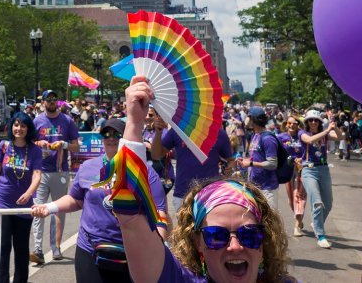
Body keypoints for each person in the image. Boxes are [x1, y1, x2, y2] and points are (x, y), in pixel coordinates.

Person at [110, 78, 292, 283]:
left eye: (250, 235)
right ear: (198, 242)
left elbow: (230, 159)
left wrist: (228, 182)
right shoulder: (181, 280)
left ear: (264, 240)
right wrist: (135, 122)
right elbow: (130, 214)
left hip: (216, 196)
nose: (235, 246)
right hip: (187, 199)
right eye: (216, 236)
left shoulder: (219, 134)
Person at [30, 116, 168, 282]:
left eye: (116, 134)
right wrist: (49, 207)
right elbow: (76, 199)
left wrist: (157, 245)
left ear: (125, 138)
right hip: (89, 249)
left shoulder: (145, 172)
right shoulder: (88, 167)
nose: (110, 138)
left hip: (132, 251)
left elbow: (160, 212)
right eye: (106, 134)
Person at [0, 111, 43, 283]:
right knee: (2, 248)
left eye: (23, 125)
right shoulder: (3, 146)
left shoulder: (34, 150)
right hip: (1, 202)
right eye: (16, 125)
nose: (19, 128)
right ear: (11, 127)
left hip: (23, 206)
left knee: (21, 248)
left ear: (28, 128)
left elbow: (37, 175)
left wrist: (28, 193)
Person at [151, 107, 233, 213]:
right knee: (185, 229)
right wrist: (158, 133)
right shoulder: (177, 130)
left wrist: (229, 171)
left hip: (211, 194)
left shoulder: (219, 133)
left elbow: (230, 159)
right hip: (183, 194)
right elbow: (156, 155)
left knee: (209, 229)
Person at [31, 89, 80, 264]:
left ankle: (56, 247)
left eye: (54, 99)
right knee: (38, 209)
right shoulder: (37, 121)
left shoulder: (67, 121)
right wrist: (39, 144)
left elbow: (76, 146)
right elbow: (28, 144)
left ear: (57, 102)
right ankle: (37, 249)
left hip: (60, 171)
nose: (51, 102)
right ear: (43, 102)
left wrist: (64, 144)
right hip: (41, 171)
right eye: (48, 99)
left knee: (58, 211)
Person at [297, 109, 338, 249]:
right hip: (309, 170)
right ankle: (321, 235)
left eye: (316, 120)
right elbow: (309, 140)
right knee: (317, 202)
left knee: (329, 202)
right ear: (307, 122)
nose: (313, 122)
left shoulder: (325, 134)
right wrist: (327, 131)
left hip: (324, 169)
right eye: (311, 120)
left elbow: (341, 137)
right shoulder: (302, 133)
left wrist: (333, 125)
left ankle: (316, 223)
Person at [278, 117, 306, 238]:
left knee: (299, 195)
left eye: (295, 123)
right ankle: (298, 216)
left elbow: (308, 150)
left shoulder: (302, 136)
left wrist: (302, 158)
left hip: (300, 169)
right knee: (291, 197)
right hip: (287, 169)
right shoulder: (280, 137)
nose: (292, 125)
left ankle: (297, 224)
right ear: (286, 124)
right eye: (290, 123)